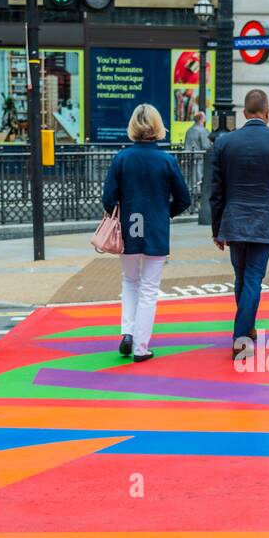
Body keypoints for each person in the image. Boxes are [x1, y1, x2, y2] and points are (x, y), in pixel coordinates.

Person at [210, 88, 269, 360]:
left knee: (242, 276)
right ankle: (241, 336)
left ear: (244, 112)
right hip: (265, 220)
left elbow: (216, 191)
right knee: (253, 279)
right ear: (267, 112)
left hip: (234, 220)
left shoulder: (225, 142)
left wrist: (217, 229)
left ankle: (246, 330)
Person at [101, 103, 193, 363]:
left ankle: (127, 333)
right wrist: (166, 213)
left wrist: (122, 214)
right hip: (155, 228)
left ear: (133, 127)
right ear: (157, 127)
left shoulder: (121, 158)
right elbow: (184, 198)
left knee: (129, 282)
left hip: (129, 228)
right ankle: (141, 347)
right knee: (149, 289)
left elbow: (108, 198)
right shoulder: (167, 160)